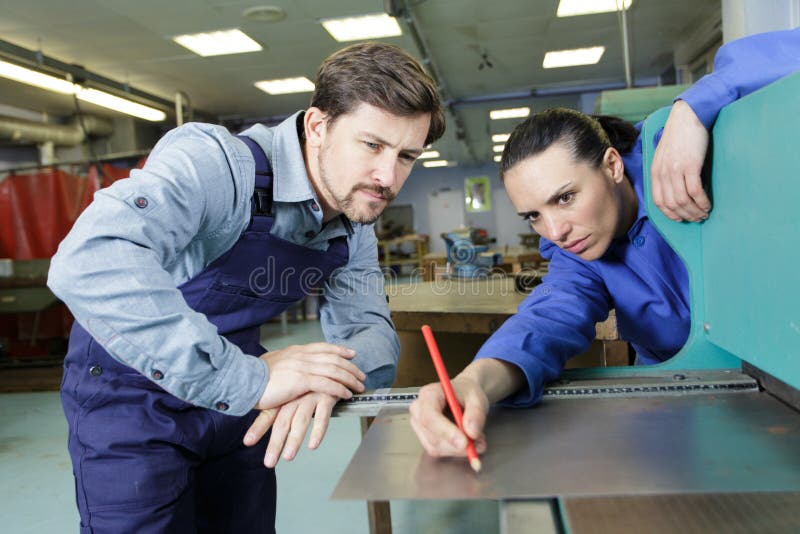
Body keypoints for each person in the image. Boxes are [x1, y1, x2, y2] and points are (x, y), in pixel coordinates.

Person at [49, 42, 444, 532]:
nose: (388, 177)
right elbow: (89, 259)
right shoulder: (217, 165)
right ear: (318, 127)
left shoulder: (353, 224)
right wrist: (247, 380)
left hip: (241, 410)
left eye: (406, 156)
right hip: (132, 399)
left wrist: (325, 379)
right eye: (372, 145)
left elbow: (372, 334)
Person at [409, 28, 800, 460]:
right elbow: (547, 321)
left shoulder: (680, 147)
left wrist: (694, 108)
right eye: (534, 215)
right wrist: (474, 383)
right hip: (687, 400)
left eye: (565, 197)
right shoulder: (577, 255)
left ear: (612, 165)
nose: (554, 230)